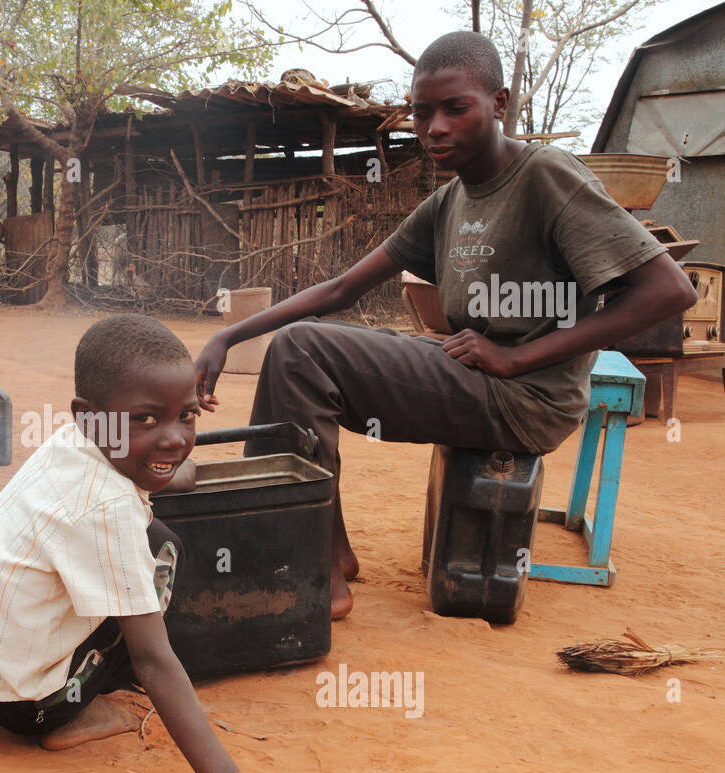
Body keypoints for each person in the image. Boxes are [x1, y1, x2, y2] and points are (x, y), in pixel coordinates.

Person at [193, 31, 698, 620]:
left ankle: (311, 570)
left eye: (455, 108)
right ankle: (323, 549)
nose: (433, 127)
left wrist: (516, 358)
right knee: (297, 353)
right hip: (477, 375)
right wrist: (229, 334)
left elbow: (669, 290)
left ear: (499, 104)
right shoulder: (451, 200)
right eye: (421, 111)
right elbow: (341, 289)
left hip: (525, 397)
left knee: (304, 352)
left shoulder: (545, 177)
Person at [0, 315, 310, 773]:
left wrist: (170, 469)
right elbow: (152, 659)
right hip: (30, 706)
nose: (174, 438)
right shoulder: (107, 507)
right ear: (92, 417)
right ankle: (75, 715)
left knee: (129, 548)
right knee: (163, 554)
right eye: (148, 420)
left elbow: (138, 464)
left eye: (187, 417)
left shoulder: (73, 442)